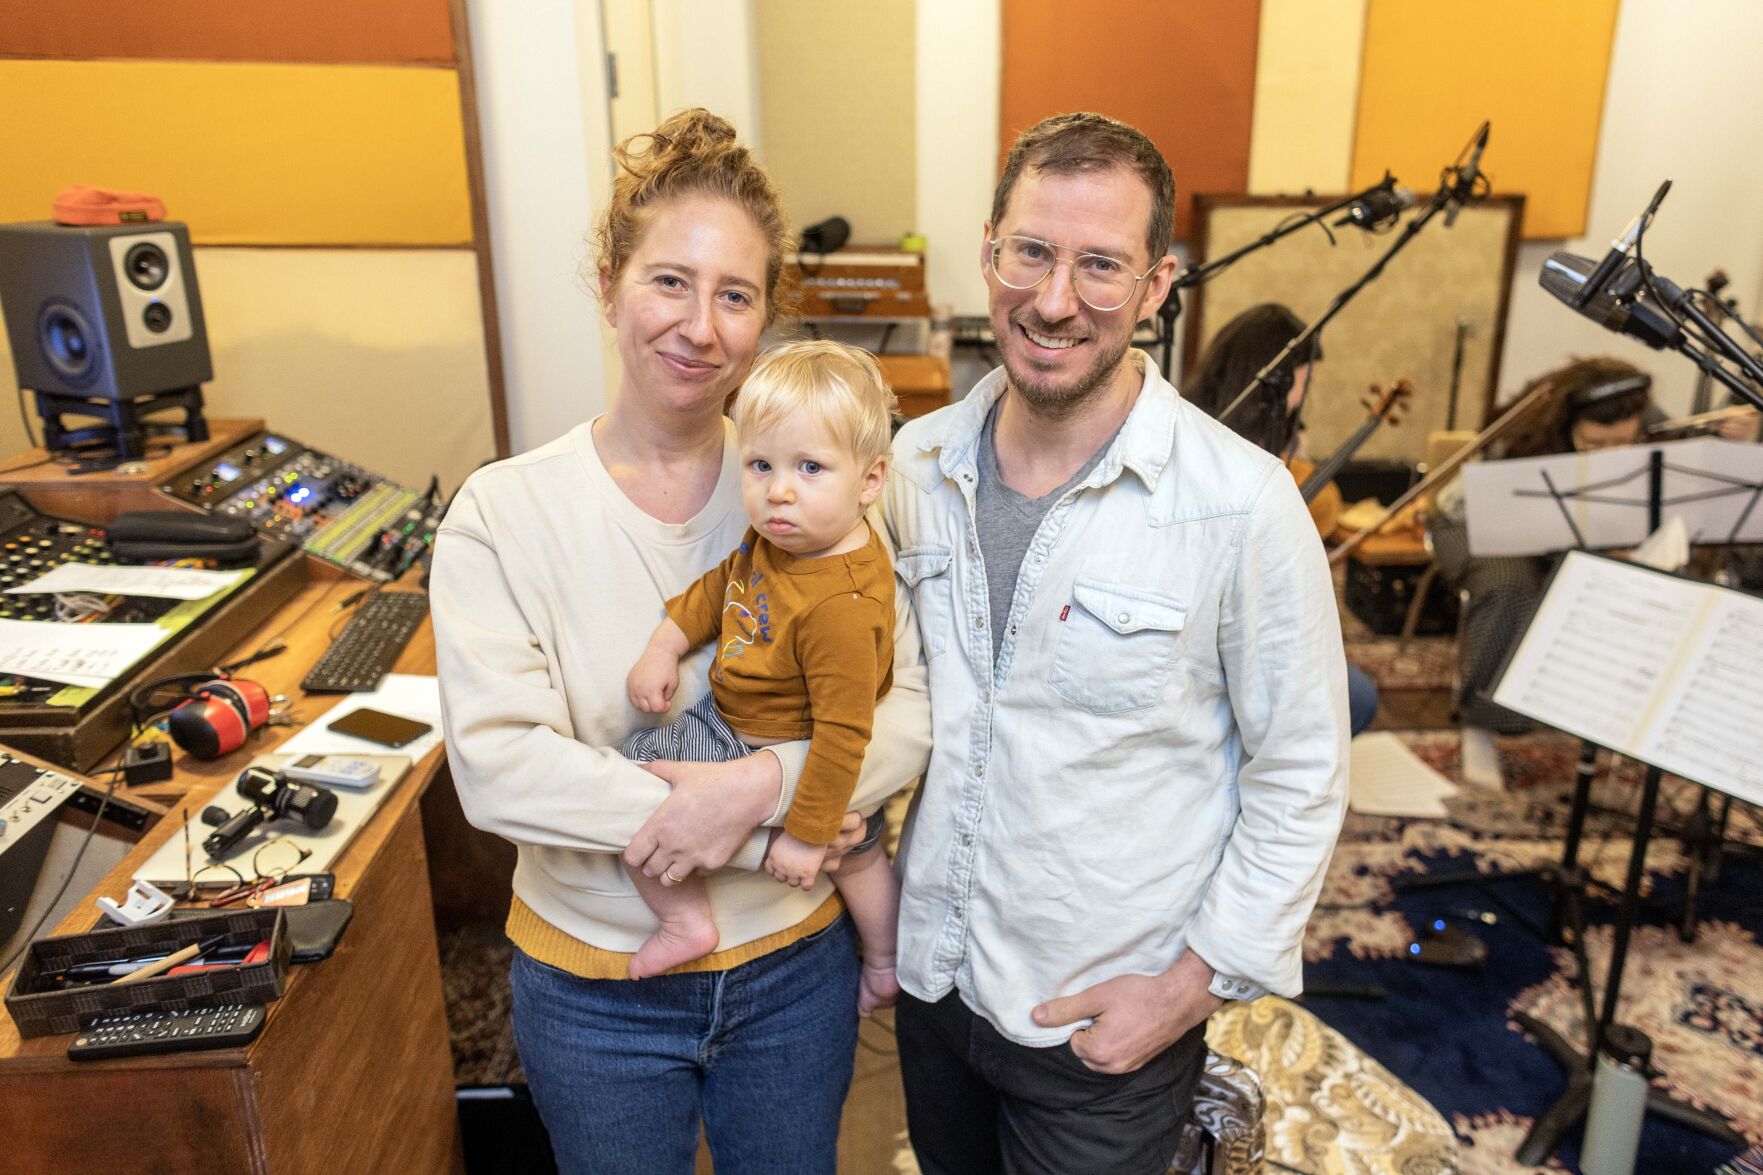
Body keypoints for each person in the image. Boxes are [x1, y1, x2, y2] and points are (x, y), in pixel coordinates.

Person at [430, 109, 930, 1175]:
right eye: (669, 280)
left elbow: (907, 708)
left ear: (765, 316)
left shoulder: (813, 490)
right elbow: (498, 768)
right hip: (594, 990)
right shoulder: (502, 511)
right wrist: (736, 824)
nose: (699, 326)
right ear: (609, 282)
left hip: (794, 970)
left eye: (735, 294)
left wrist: (751, 787)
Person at [884, 112, 1349, 1175]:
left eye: (1099, 265)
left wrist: (1185, 988)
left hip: (1106, 1031)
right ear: (989, 246)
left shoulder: (1239, 502)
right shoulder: (912, 464)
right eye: (1031, 253)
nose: (1053, 300)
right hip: (932, 988)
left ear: (1156, 285)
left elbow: (1300, 772)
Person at [621, 339, 903, 1014]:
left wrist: (805, 835)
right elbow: (720, 587)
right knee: (862, 851)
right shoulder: (776, 540)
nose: (778, 490)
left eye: (810, 467)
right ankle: (885, 963)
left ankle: (686, 921)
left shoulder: (839, 605)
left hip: (763, 740)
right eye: (760, 464)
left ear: (869, 480)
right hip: (750, 724)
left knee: (634, 778)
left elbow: (842, 735)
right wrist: (664, 643)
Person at [1430, 357, 1653, 788]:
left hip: (1564, 534)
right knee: (1509, 585)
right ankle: (1479, 722)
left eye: (1621, 443)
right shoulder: (1527, 434)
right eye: (1594, 443)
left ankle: (1587, 707)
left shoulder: (1651, 423)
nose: (1610, 455)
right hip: (1475, 522)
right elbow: (1501, 517)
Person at [1186, 302, 1380, 736]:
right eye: (1305, 380)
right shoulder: (1221, 447)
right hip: (1209, 630)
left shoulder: (1217, 422)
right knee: (1357, 697)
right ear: (1274, 377)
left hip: (1243, 621)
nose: (1303, 396)